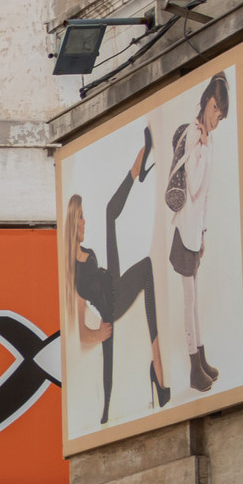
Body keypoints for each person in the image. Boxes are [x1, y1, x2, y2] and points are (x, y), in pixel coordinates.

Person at [66, 127, 168, 425]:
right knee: (144, 262)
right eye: (81, 216)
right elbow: (83, 331)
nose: (85, 221)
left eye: (84, 215)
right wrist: (100, 333)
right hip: (110, 303)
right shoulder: (72, 275)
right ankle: (157, 370)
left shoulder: (86, 252)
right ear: (73, 223)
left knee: (112, 216)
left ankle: (137, 170)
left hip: (113, 284)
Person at [166, 74, 228, 393]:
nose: (216, 119)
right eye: (216, 111)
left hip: (194, 231)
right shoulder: (195, 134)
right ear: (208, 103)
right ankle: (194, 367)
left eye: (220, 115)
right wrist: (202, 145)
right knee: (189, 301)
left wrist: (203, 233)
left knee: (195, 301)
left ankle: (201, 359)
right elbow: (195, 184)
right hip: (183, 230)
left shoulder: (208, 139)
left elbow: (207, 195)